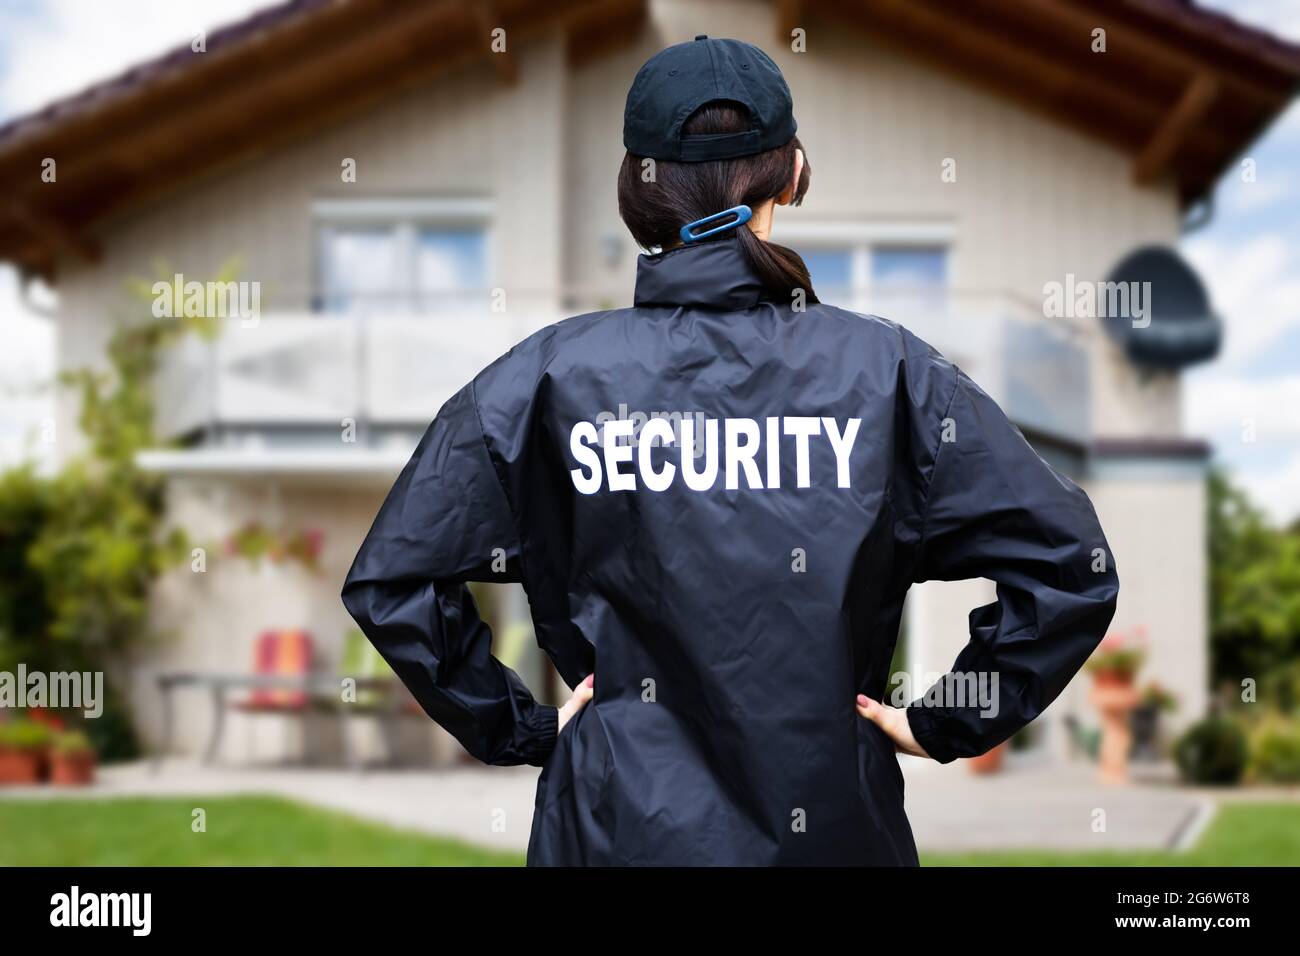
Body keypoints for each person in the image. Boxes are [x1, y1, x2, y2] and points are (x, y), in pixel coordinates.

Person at [342, 36, 1118, 866]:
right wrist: (948, 721)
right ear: (789, 176)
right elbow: (1070, 564)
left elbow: (397, 576)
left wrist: (517, 724)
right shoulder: (890, 374)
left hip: (613, 835)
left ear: (637, 197)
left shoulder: (549, 378)